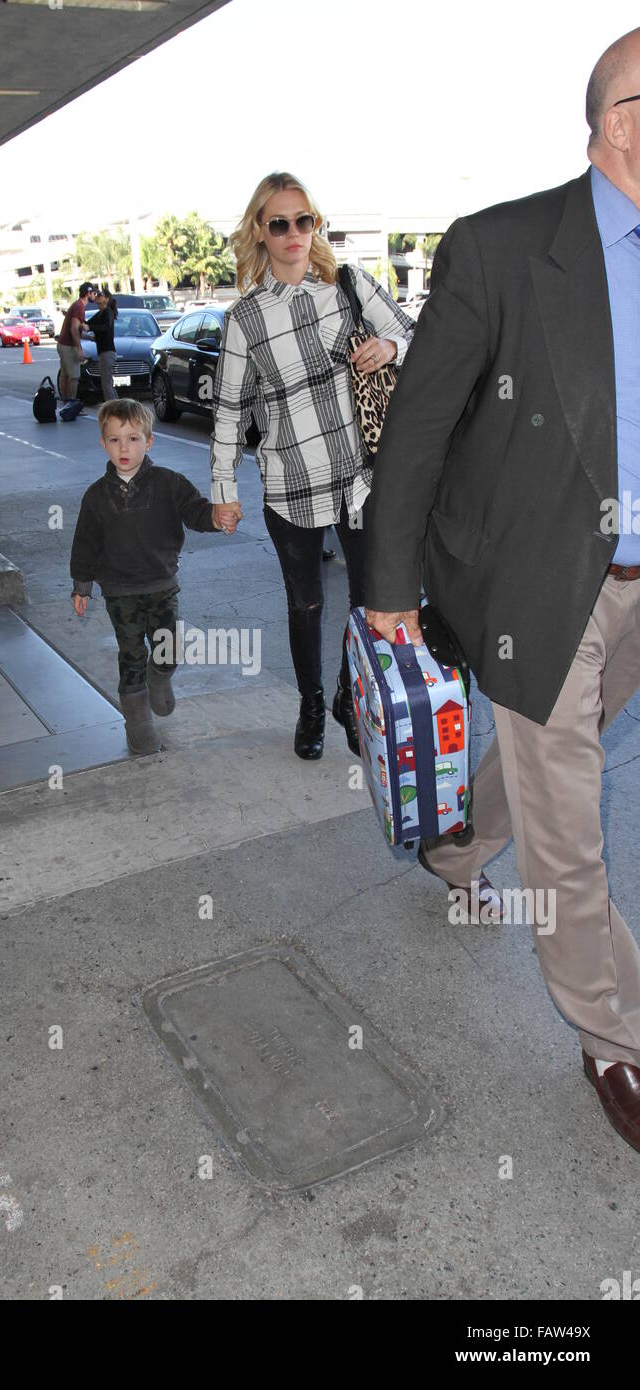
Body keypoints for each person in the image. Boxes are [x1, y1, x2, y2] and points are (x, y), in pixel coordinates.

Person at [364, 26, 640, 1154]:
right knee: (568, 823)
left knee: (550, 754)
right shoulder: (500, 246)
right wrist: (387, 583)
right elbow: (420, 422)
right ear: (610, 116)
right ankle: (611, 1033)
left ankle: (452, 844)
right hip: (539, 574)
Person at [210, 172, 415, 761]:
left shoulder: (349, 287)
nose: (295, 233)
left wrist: (390, 347)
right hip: (288, 486)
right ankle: (310, 704)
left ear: (315, 226)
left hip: (358, 480)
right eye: (280, 223)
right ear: (260, 231)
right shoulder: (243, 321)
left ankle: (351, 699)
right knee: (305, 605)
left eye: (305, 221)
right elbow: (227, 412)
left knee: (366, 599)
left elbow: (413, 329)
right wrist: (224, 489)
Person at [70, 398, 224, 754]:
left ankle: (161, 676)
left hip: (161, 586)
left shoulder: (168, 483)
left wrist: (217, 518)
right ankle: (138, 726)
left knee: (167, 649)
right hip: (119, 591)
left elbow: (195, 510)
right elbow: (85, 543)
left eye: (133, 439)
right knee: (131, 654)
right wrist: (82, 585)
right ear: (103, 443)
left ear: (149, 441)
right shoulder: (95, 497)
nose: (124, 448)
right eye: (115, 440)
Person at [57, 282, 96, 406]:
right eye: (93, 293)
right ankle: (71, 404)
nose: (94, 295)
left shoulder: (77, 305)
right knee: (73, 376)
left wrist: (89, 337)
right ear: (88, 293)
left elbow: (76, 329)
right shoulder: (79, 306)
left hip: (63, 344)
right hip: (69, 346)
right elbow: (74, 329)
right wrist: (79, 349)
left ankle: (66, 402)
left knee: (65, 375)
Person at [83, 287, 118, 400]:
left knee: (107, 384)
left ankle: (113, 408)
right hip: (103, 352)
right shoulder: (100, 313)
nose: (97, 295)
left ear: (107, 299)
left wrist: (90, 327)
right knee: (107, 383)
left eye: (101, 294)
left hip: (107, 352)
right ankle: (117, 406)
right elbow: (87, 323)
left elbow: (105, 327)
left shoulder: (107, 312)